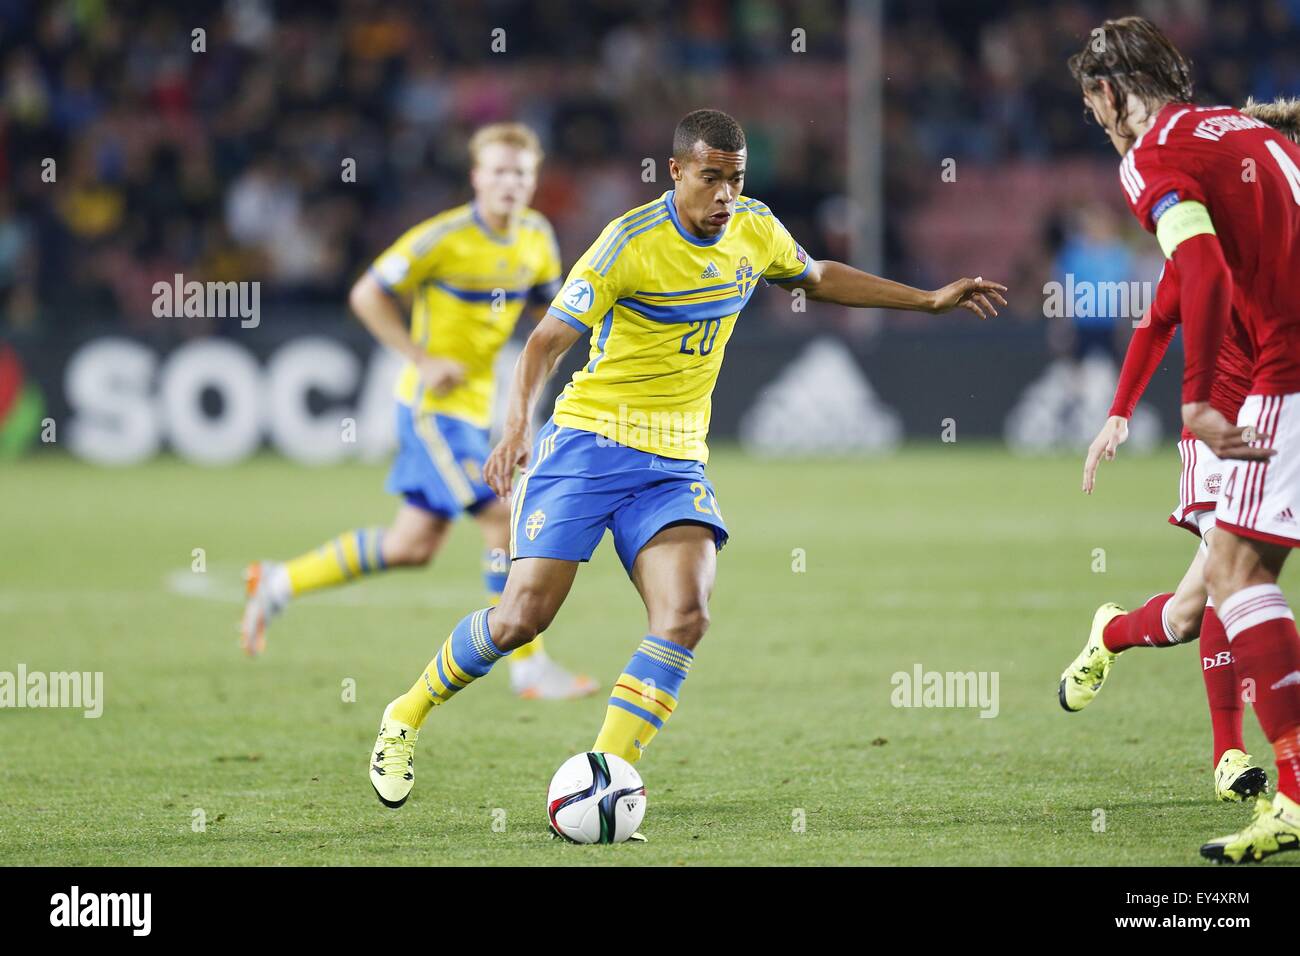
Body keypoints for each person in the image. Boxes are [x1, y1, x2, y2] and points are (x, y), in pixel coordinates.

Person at [365, 108, 1007, 815]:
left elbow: (817, 275)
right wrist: (516, 425)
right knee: (520, 618)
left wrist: (927, 300)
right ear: (675, 172)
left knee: (685, 616)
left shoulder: (755, 229)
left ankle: (604, 774)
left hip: (673, 463)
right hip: (587, 446)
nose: (725, 194)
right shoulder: (628, 244)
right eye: (710, 178)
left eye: (736, 178)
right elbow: (545, 342)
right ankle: (404, 714)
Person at [241, 123, 597, 701]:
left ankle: (278, 581)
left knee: (412, 546)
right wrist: (422, 358)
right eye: (499, 171)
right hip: (433, 411)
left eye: (521, 173)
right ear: (477, 177)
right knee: (502, 515)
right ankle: (528, 667)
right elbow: (366, 294)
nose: (509, 182)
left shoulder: (537, 237)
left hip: (477, 411)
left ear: (533, 180)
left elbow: (546, 322)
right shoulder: (443, 238)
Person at [1072, 16, 1300, 862]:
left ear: (1109, 93)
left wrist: (1198, 399)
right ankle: (1248, 765)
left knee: (1234, 576)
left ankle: (1292, 793)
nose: (1100, 124)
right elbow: (1176, 297)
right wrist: (1126, 409)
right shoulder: (1248, 131)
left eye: (1094, 107)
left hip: (1283, 376)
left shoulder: (1154, 154)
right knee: (1221, 579)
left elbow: (1196, 267)